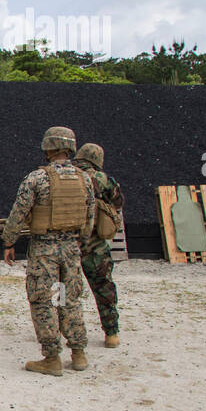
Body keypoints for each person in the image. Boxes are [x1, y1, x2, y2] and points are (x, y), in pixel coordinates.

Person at [2, 126, 95, 376]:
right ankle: (78, 354)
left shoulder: (37, 178)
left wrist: (9, 242)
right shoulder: (84, 178)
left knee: (44, 301)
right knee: (68, 298)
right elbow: (90, 215)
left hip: (44, 251)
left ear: (48, 148)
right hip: (71, 249)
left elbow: (19, 212)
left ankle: (52, 359)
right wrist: (80, 241)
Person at [74, 142, 123, 349]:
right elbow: (118, 202)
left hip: (68, 244)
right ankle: (111, 333)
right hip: (95, 245)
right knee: (104, 288)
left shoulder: (66, 176)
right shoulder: (103, 180)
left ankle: (61, 329)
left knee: (63, 290)